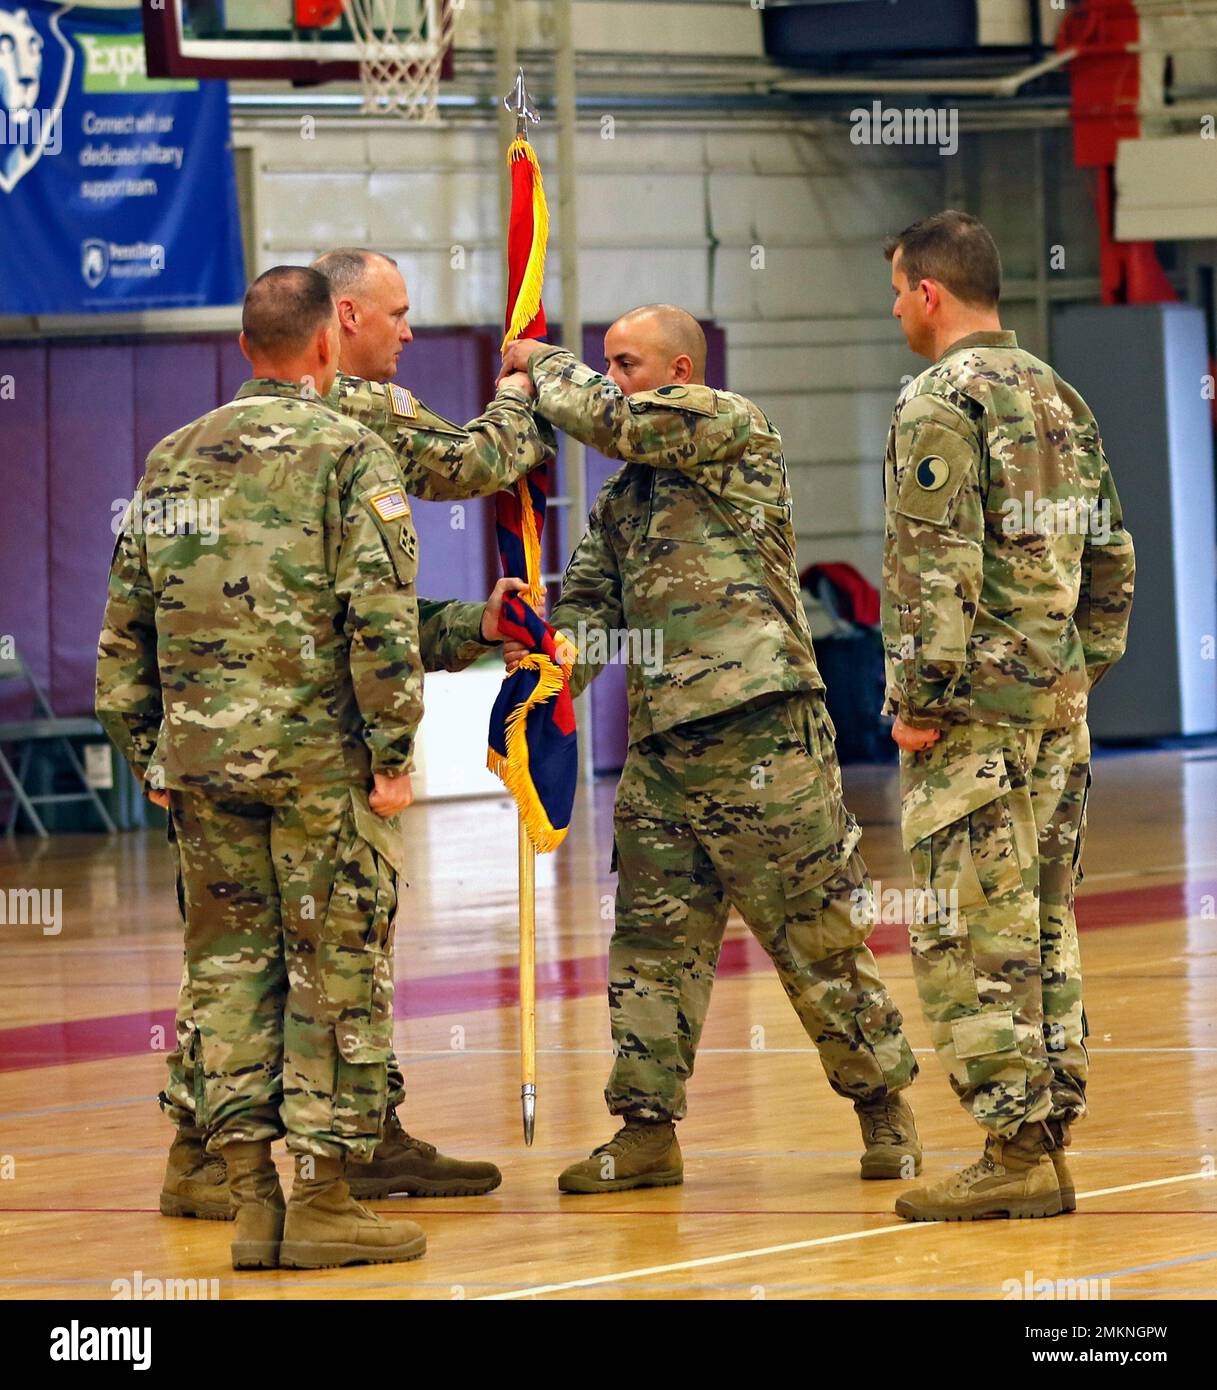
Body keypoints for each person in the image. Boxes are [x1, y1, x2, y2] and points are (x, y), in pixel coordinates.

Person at [98, 266, 511, 1269]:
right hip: (320, 772)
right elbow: (374, 621)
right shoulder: (348, 450)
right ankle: (323, 1199)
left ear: (246, 349)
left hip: (203, 771)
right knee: (338, 974)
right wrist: (393, 755)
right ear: (329, 344)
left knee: (227, 976)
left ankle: (247, 1200)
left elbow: (124, 632)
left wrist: (147, 748)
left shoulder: (169, 458)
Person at [498, 308, 920, 1194]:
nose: (612, 379)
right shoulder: (621, 502)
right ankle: (645, 1130)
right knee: (652, 946)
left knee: (814, 936)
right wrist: (541, 671)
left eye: (627, 362)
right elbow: (590, 612)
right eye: (604, 363)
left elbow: (613, 420)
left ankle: (884, 1109)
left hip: (761, 728)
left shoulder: (728, 426)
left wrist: (540, 364)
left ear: (679, 368)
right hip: (661, 749)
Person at [877, 211, 1135, 1222]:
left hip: (972, 720)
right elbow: (1109, 552)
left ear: (928, 293)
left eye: (897, 290)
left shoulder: (940, 399)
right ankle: (1045, 1136)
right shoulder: (1055, 393)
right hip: (1051, 712)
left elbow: (930, 568)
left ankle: (1011, 1144)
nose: (895, 307)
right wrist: (1078, 667)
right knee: (1039, 919)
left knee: (967, 928)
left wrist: (918, 698)